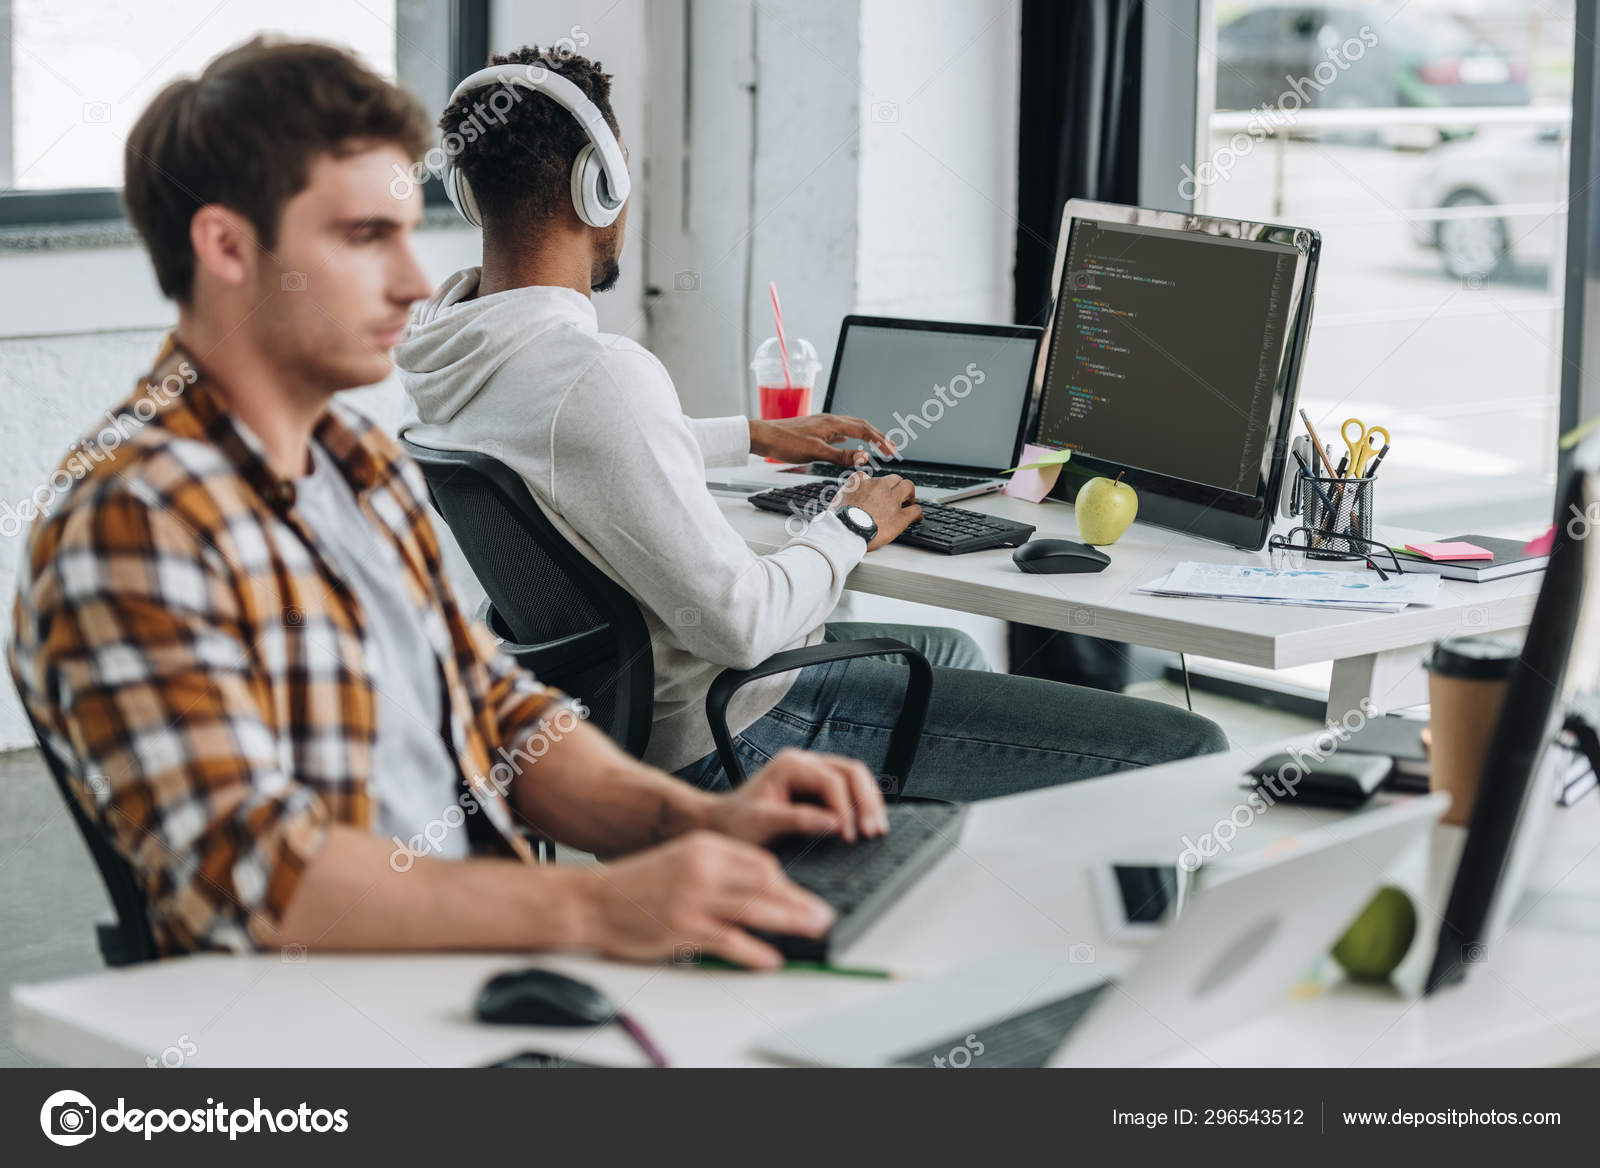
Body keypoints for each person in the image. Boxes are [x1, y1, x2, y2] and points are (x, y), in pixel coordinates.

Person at [7, 38, 889, 969]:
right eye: (362, 238)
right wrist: (596, 906)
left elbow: (490, 708)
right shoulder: (132, 524)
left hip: (476, 967)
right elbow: (259, 878)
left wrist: (699, 817)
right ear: (226, 247)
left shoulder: (349, 465)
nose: (416, 283)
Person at [395, 48, 1227, 798]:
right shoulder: (599, 375)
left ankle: (899, 869)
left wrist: (748, 436)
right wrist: (853, 523)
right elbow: (742, 621)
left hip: (606, 721)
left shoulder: (454, 348)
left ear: (471, 194)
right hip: (733, 734)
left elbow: (567, 449)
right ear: (600, 188)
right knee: (1190, 744)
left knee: (953, 656)